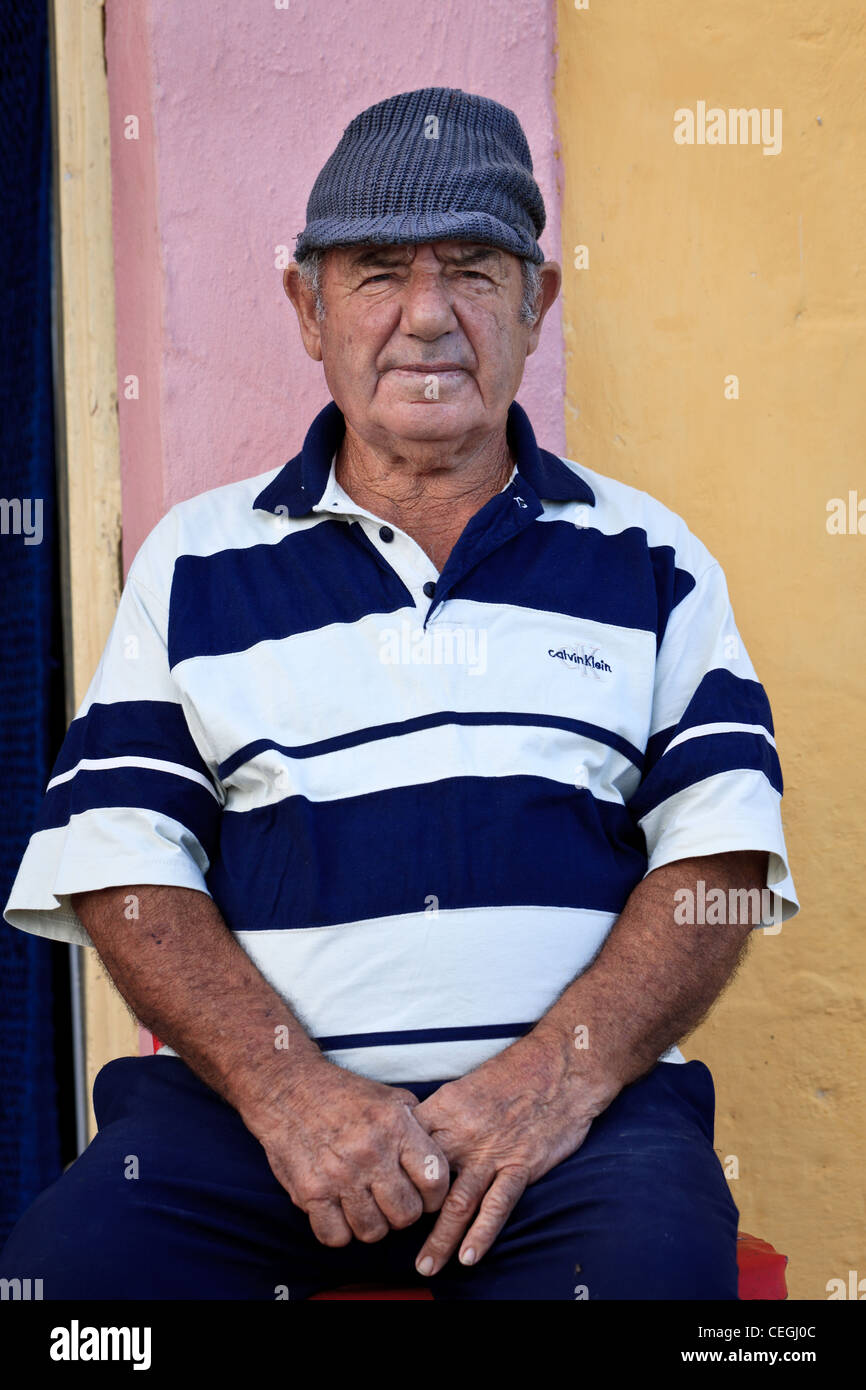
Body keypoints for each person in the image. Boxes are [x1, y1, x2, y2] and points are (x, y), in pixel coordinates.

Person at [0, 86, 798, 1300]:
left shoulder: (649, 557)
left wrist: (554, 1078)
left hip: (576, 1131)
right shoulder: (196, 560)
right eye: (377, 272)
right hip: (245, 1125)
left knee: (651, 1284)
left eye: (473, 269)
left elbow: (721, 855)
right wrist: (285, 1088)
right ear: (306, 306)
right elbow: (120, 852)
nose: (426, 316)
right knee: (72, 1291)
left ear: (538, 302)